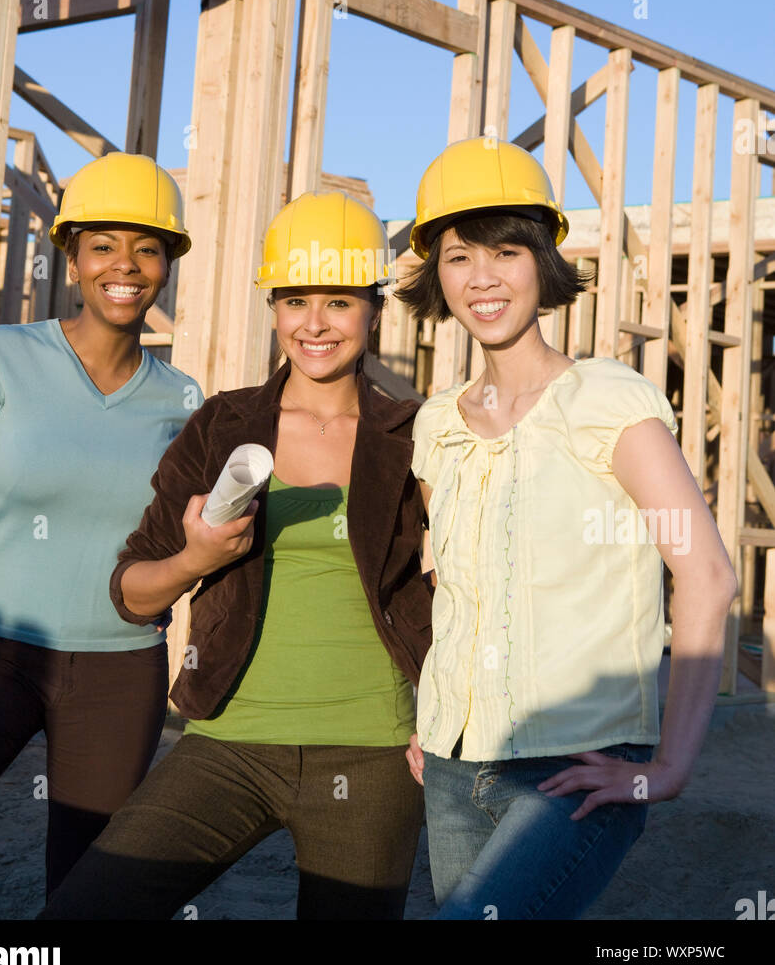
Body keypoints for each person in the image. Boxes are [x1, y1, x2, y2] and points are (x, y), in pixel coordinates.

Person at [39, 190, 433, 921]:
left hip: (373, 752)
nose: (314, 325)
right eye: (295, 301)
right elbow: (134, 591)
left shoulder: (417, 435)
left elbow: (465, 586)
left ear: (374, 310)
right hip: (229, 744)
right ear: (275, 309)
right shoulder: (224, 423)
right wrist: (194, 557)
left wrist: (443, 714)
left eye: (339, 302)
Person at [397, 138, 738, 920]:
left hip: (576, 768)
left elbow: (709, 575)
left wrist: (669, 768)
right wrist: (433, 712)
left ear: (543, 262)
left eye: (505, 251)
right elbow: (449, 580)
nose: (482, 278)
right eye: (458, 257)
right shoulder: (438, 424)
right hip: (452, 768)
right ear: (435, 276)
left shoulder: (609, 401)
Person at [0, 153, 199, 899]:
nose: (124, 266)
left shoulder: (183, 399)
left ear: (168, 264)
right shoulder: (1, 357)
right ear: (73, 259)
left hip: (121, 670)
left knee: (86, 891)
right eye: (102, 245)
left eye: (147, 248)